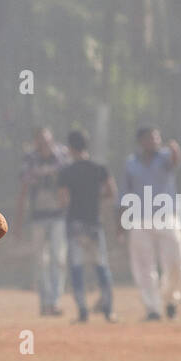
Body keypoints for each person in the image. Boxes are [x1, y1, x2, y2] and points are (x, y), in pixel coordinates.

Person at [119, 125, 181, 320]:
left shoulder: (165, 157)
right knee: (143, 267)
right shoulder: (131, 163)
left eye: (157, 138)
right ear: (141, 141)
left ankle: (170, 299)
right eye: (150, 138)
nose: (155, 141)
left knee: (177, 261)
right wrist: (120, 223)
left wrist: (176, 152)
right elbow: (125, 193)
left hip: (166, 216)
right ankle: (152, 308)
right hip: (140, 219)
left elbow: (175, 162)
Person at [57, 129, 118, 323]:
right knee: (101, 267)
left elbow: (64, 200)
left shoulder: (66, 172)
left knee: (77, 268)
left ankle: (83, 311)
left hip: (75, 224)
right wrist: (94, 197)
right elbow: (111, 192)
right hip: (94, 223)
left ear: (70, 148)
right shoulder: (99, 168)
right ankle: (109, 310)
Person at [15, 127, 69, 316]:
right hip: (38, 216)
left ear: (52, 140)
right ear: (36, 142)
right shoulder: (30, 158)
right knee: (40, 261)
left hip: (59, 215)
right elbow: (24, 183)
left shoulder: (62, 154)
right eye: (40, 141)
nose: (44, 144)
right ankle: (45, 302)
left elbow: (68, 178)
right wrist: (19, 221)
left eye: (47, 140)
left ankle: (55, 302)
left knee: (59, 259)